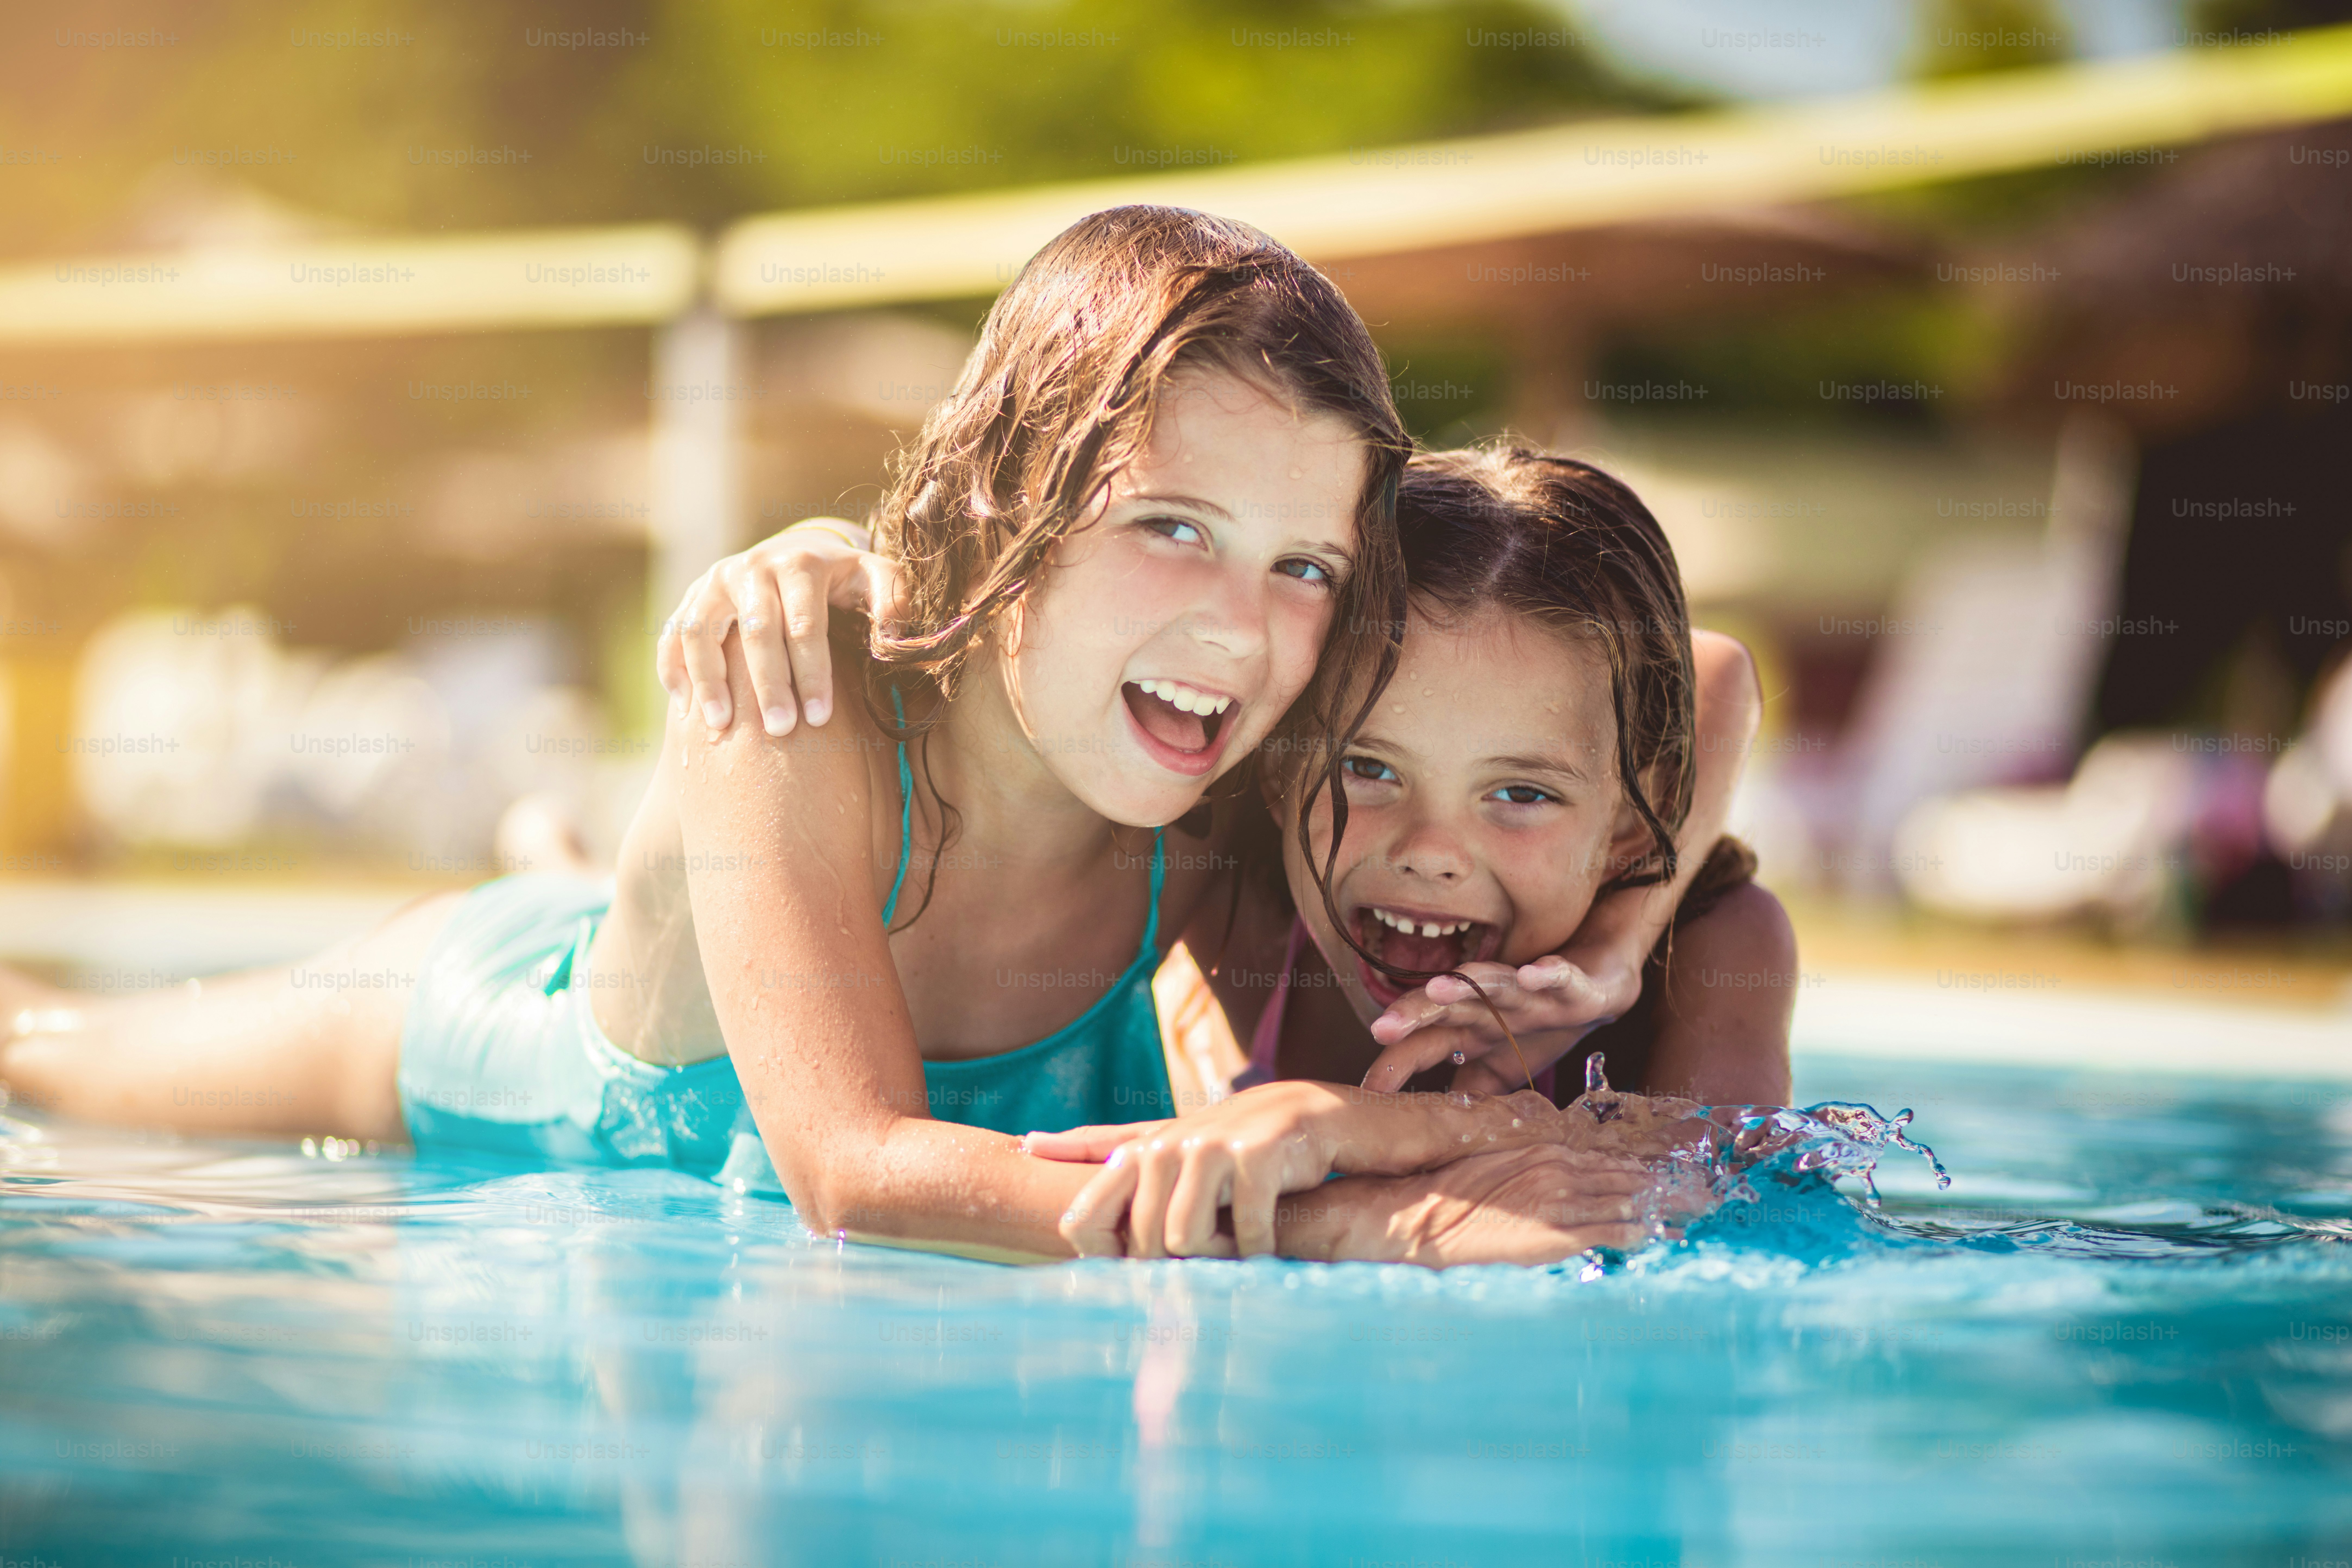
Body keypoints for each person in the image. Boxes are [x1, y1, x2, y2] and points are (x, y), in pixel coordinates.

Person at [0, 207, 1649, 1266]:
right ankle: (568, 879)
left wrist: (1629, 940)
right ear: (1013, 500)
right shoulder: (801, 709)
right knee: (47, 1054)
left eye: (1305, 566)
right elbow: (855, 1174)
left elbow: (1689, 670)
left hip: (739, 917)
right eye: (1172, 528)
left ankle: (581, 858)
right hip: (504, 1043)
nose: (1241, 625)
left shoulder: (1240, 779)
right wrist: (1369, 1226)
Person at [654, 450, 1785, 1262]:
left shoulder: (1716, 947)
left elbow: (1709, 1194)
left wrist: (1618, 947)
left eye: (1521, 794)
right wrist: (835, 556)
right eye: (1367, 767)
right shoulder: (1250, 874)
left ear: (1636, 830)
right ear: (1287, 760)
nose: (1433, 853)